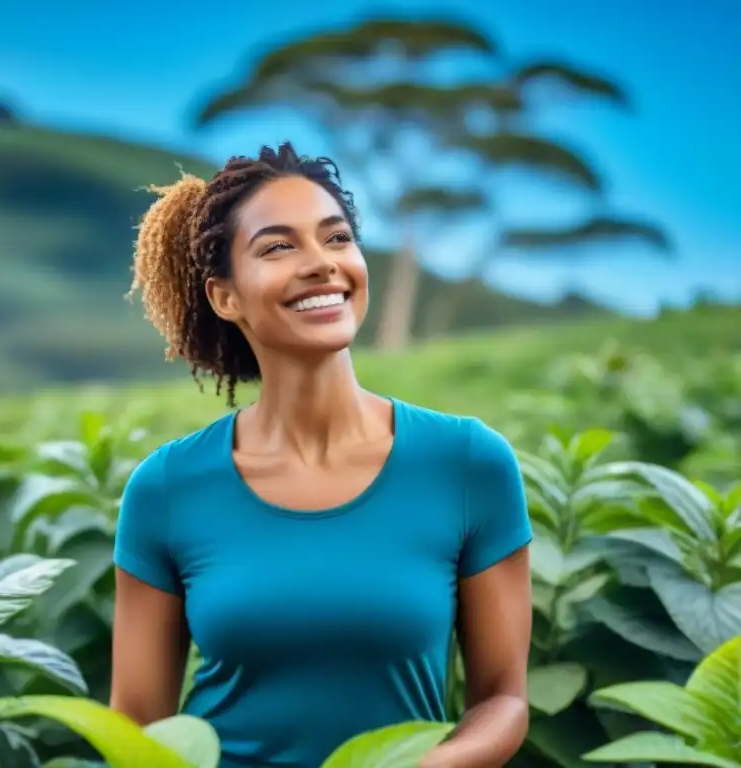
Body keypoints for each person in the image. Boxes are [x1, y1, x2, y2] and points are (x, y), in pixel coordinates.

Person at [110, 142, 532, 767]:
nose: (321, 264)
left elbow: (503, 699)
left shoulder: (468, 464)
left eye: (337, 238)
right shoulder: (167, 487)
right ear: (225, 297)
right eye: (278, 247)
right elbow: (137, 728)